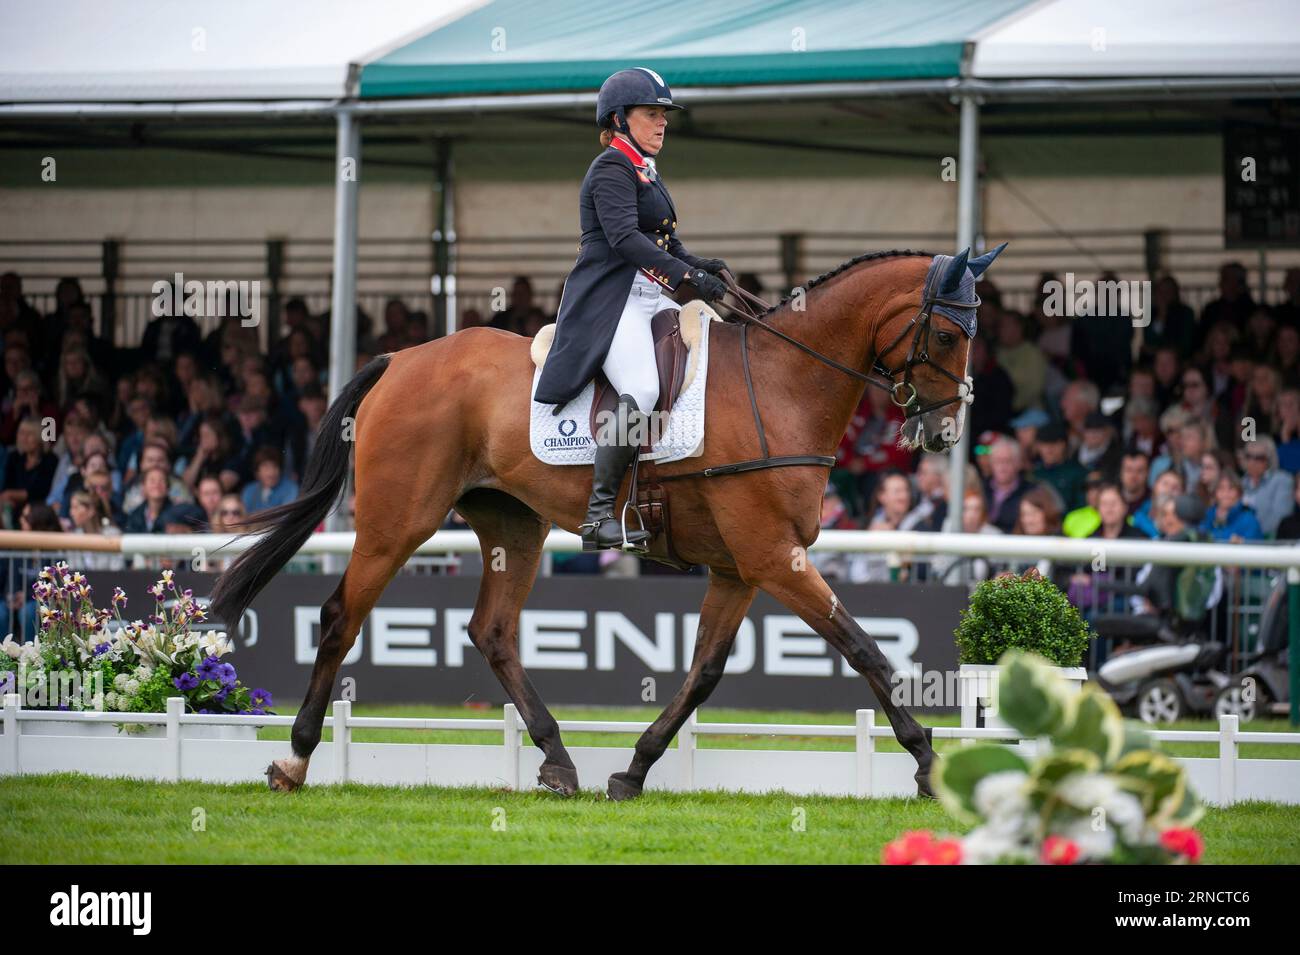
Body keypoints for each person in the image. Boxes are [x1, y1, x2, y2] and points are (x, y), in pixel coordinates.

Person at [532, 68, 729, 551]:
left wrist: (699, 266)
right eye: (651, 114)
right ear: (620, 119)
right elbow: (624, 240)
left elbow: (665, 239)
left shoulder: (644, 168)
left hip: (649, 298)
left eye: (664, 115)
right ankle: (598, 516)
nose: (662, 123)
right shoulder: (611, 169)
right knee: (641, 387)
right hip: (611, 302)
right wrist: (685, 277)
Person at [1239, 436, 1293, 536]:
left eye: (1259, 458)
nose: (1252, 462)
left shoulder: (1282, 480)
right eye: (1248, 456)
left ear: (1269, 459)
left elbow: (1280, 517)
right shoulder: (1241, 482)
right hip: (1238, 539)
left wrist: (1252, 533)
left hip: (1266, 541)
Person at [1200, 471, 1263, 542]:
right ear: (1215, 494)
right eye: (1221, 488)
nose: (1226, 493)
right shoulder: (1207, 517)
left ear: (1239, 493)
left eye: (1231, 488)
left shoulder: (1250, 520)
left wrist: (1242, 544)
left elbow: (1255, 548)